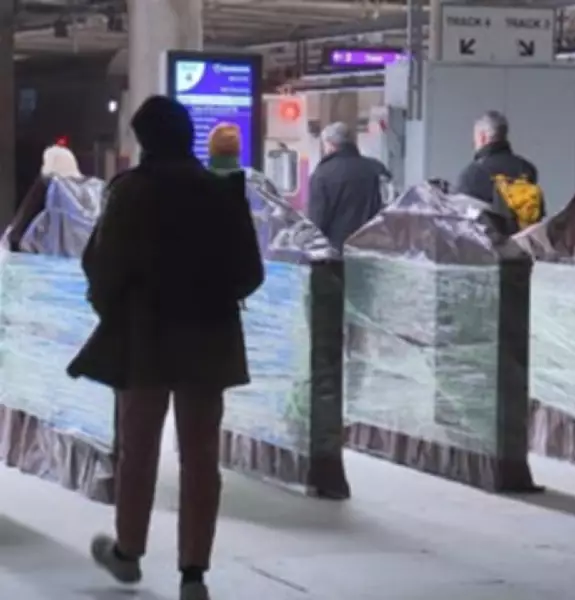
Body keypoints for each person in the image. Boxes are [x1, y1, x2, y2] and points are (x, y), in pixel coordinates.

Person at [67, 96, 264, 600]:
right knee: (201, 457)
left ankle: (129, 551)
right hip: (209, 338)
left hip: (145, 338)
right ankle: (194, 573)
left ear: (144, 141)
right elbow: (250, 271)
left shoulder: (130, 192)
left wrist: (115, 310)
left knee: (139, 450)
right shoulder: (221, 193)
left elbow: (101, 266)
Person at [453, 110, 545, 234]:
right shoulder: (527, 169)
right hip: (526, 245)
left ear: (482, 137)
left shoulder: (473, 173)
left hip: (492, 249)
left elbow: (459, 221)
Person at [307, 121, 390, 251]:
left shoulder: (322, 174)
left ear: (330, 145)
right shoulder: (374, 169)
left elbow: (317, 221)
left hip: (337, 251)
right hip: (370, 248)